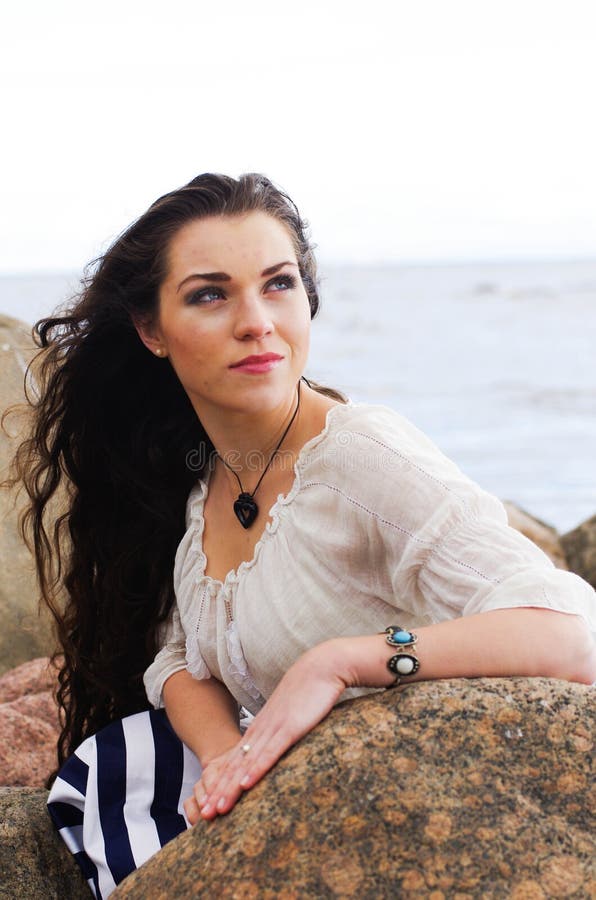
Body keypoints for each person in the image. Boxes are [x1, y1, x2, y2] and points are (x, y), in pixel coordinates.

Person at [9, 173, 595, 898]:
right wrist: (229, 753)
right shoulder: (203, 482)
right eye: (209, 294)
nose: (257, 321)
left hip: (431, 799)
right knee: (115, 763)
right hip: (315, 796)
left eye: (278, 284)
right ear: (151, 331)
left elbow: (573, 634)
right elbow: (177, 657)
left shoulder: (359, 460)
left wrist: (345, 662)